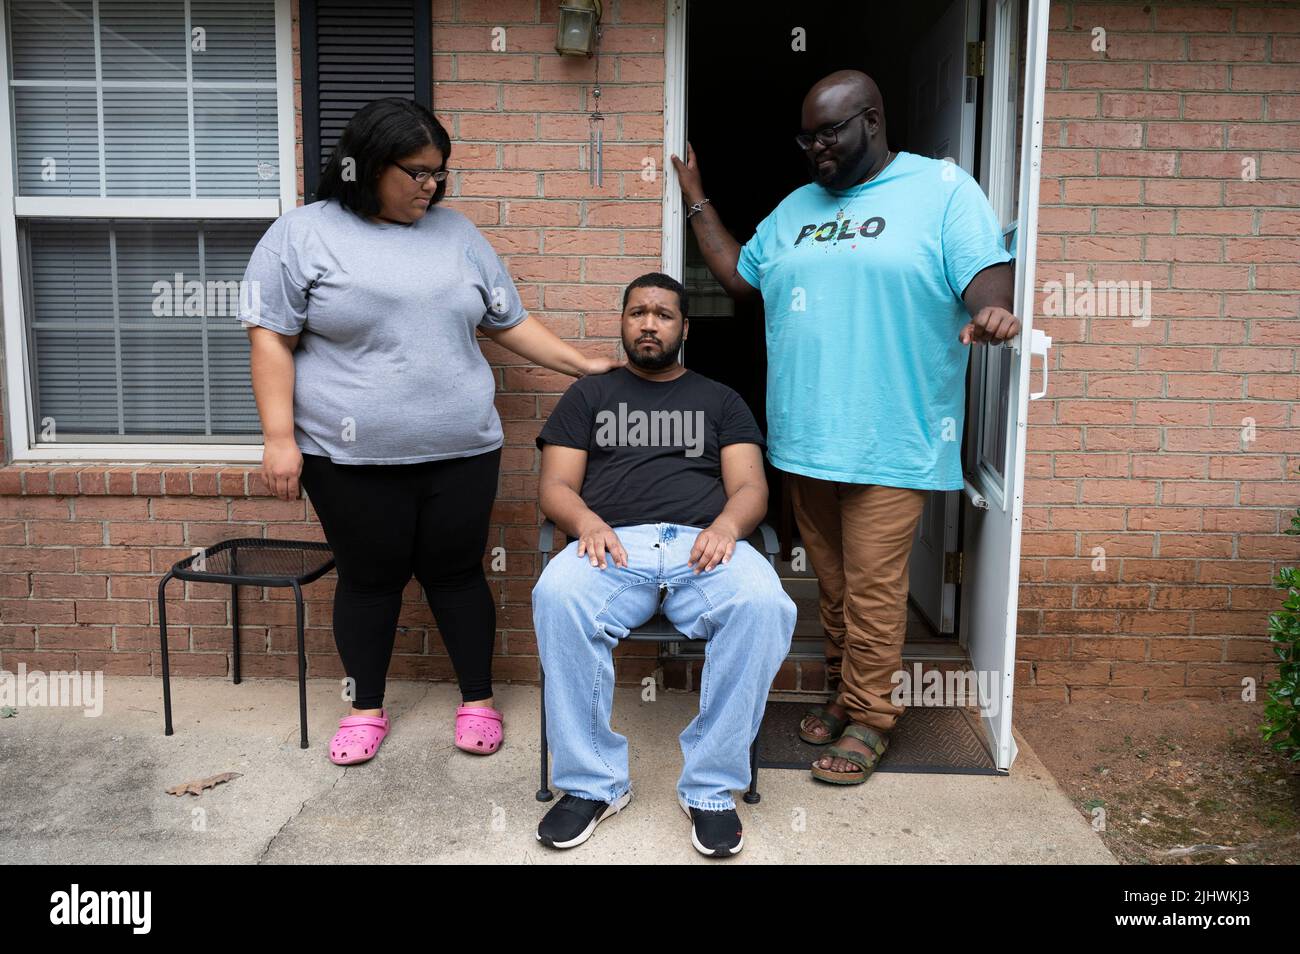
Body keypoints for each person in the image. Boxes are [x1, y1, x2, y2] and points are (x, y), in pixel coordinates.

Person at [241, 98, 620, 767]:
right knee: (370, 579)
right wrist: (279, 438)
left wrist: (581, 364)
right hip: (348, 456)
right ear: (367, 165)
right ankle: (365, 708)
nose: (430, 186)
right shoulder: (302, 235)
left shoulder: (458, 235)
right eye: (415, 171)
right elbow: (271, 337)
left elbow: (506, 321)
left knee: (456, 574)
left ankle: (477, 699)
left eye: (438, 173)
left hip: (462, 452)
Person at [671, 70, 1021, 785]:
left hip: (893, 434)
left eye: (829, 132)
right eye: (807, 136)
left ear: (872, 119)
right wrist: (697, 198)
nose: (815, 149)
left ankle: (871, 718)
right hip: (805, 437)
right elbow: (741, 275)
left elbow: (988, 279)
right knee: (830, 584)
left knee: (873, 587)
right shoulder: (798, 205)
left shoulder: (942, 190)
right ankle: (842, 692)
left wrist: (993, 311)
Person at [531, 273, 795, 856]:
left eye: (663, 314)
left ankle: (710, 788)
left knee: (763, 603)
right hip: (610, 544)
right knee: (557, 595)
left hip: (703, 546)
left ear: (684, 327)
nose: (648, 323)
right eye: (636, 313)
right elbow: (555, 487)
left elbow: (751, 486)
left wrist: (727, 526)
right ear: (623, 322)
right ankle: (591, 784)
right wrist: (588, 524)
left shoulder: (721, 399)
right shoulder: (587, 396)